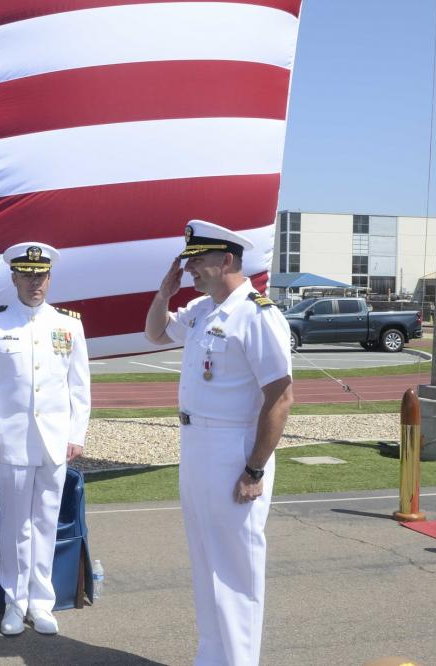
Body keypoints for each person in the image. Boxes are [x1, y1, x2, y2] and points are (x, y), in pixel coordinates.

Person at [144, 220, 293, 666]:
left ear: (225, 260)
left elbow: (280, 397)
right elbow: (156, 332)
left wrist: (254, 469)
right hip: (196, 447)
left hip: (234, 451)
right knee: (206, 563)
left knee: (237, 572)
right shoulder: (202, 310)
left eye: (197, 260)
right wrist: (162, 294)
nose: (190, 268)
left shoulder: (258, 314)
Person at [0, 241, 91, 637]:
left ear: (49, 277)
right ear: (14, 277)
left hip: (54, 441)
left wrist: (77, 435)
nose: (34, 282)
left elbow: (79, 387)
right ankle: (13, 601)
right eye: (27, 275)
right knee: (15, 524)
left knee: (45, 522)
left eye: (41, 275)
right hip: (11, 440)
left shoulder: (69, 325)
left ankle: (41, 602)